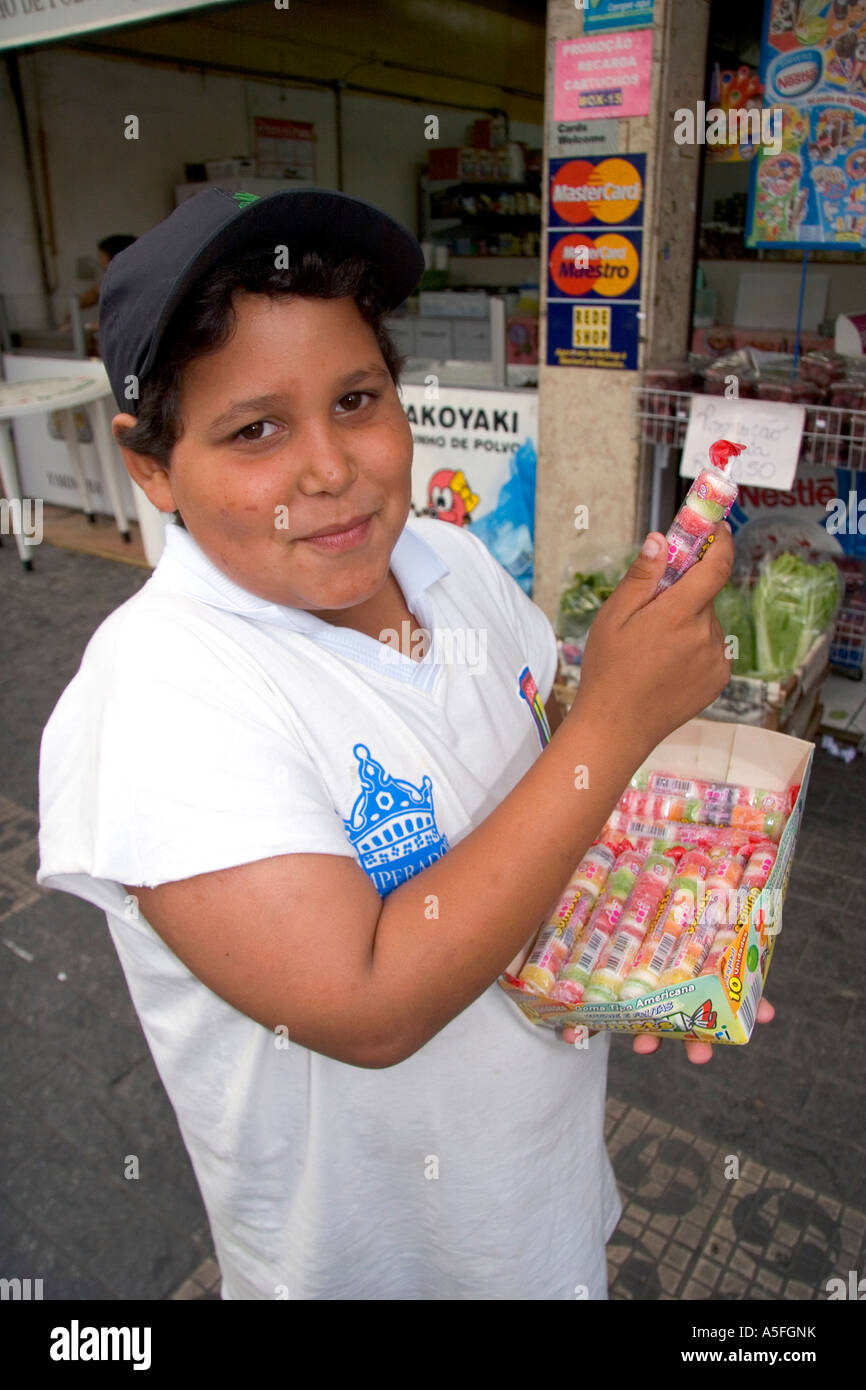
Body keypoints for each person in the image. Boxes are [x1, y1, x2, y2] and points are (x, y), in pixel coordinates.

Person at [36, 187, 774, 1301]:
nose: (329, 468)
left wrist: (651, 946)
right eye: (254, 430)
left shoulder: (451, 565)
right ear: (150, 466)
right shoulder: (162, 688)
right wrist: (616, 719)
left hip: (538, 1216)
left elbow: (532, 801)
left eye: (355, 398)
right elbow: (370, 999)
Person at [57, 234, 136, 331]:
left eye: (101, 256)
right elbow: (96, 292)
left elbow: (123, 322)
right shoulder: (113, 279)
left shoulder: (130, 281)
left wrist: (82, 327)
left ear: (115, 257)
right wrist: (72, 309)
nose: (99, 261)